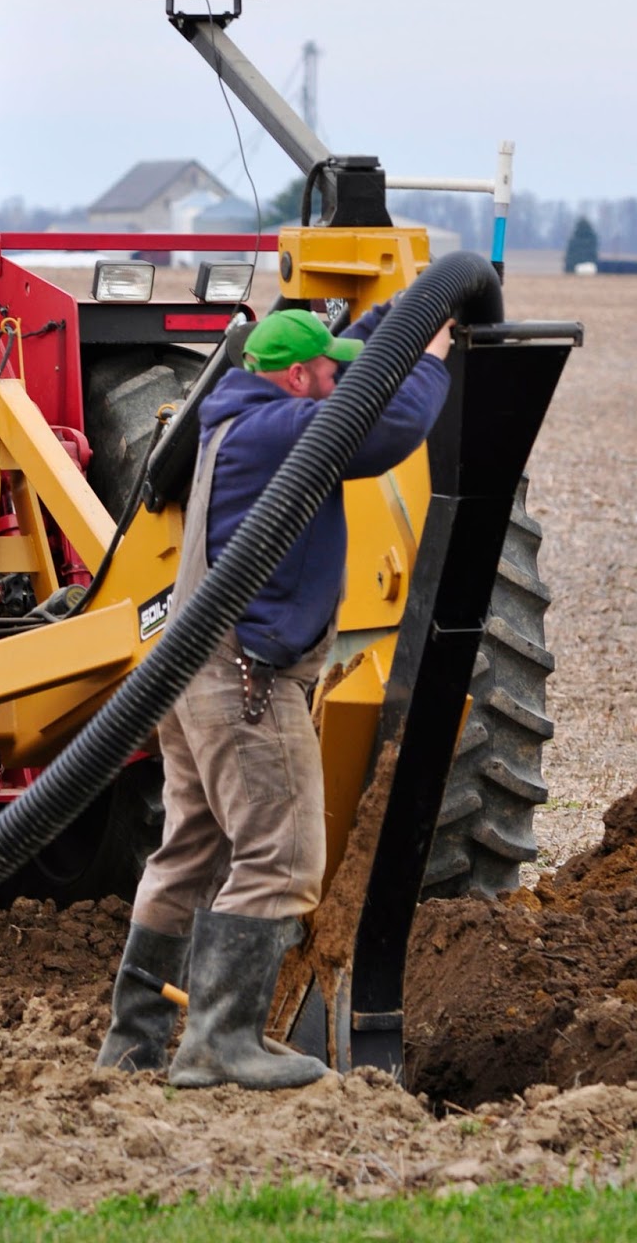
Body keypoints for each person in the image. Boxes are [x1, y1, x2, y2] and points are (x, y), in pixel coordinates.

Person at [97, 301, 453, 1089]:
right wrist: (427, 359)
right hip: (244, 682)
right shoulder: (284, 434)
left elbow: (347, 375)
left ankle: (134, 1043)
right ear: (297, 378)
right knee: (283, 854)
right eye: (328, 370)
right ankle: (223, 1043)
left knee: (188, 854)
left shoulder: (240, 415)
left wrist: (394, 316)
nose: (339, 379)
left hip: (196, 675)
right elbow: (389, 430)